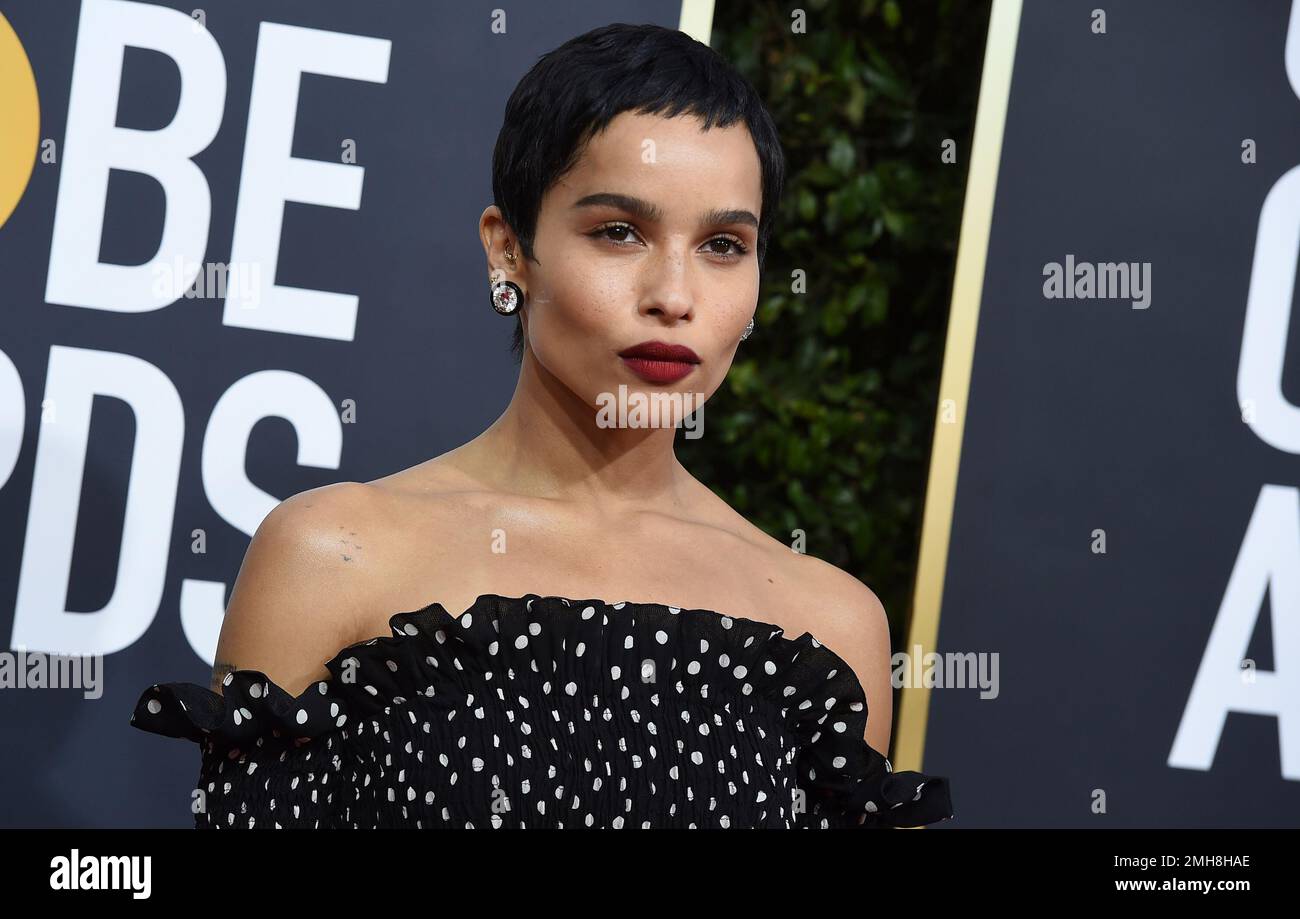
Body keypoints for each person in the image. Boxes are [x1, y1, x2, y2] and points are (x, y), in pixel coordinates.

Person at [130, 22, 953, 829]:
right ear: (508, 251)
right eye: (619, 232)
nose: (674, 294)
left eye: (723, 245)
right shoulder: (331, 555)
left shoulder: (831, 626)